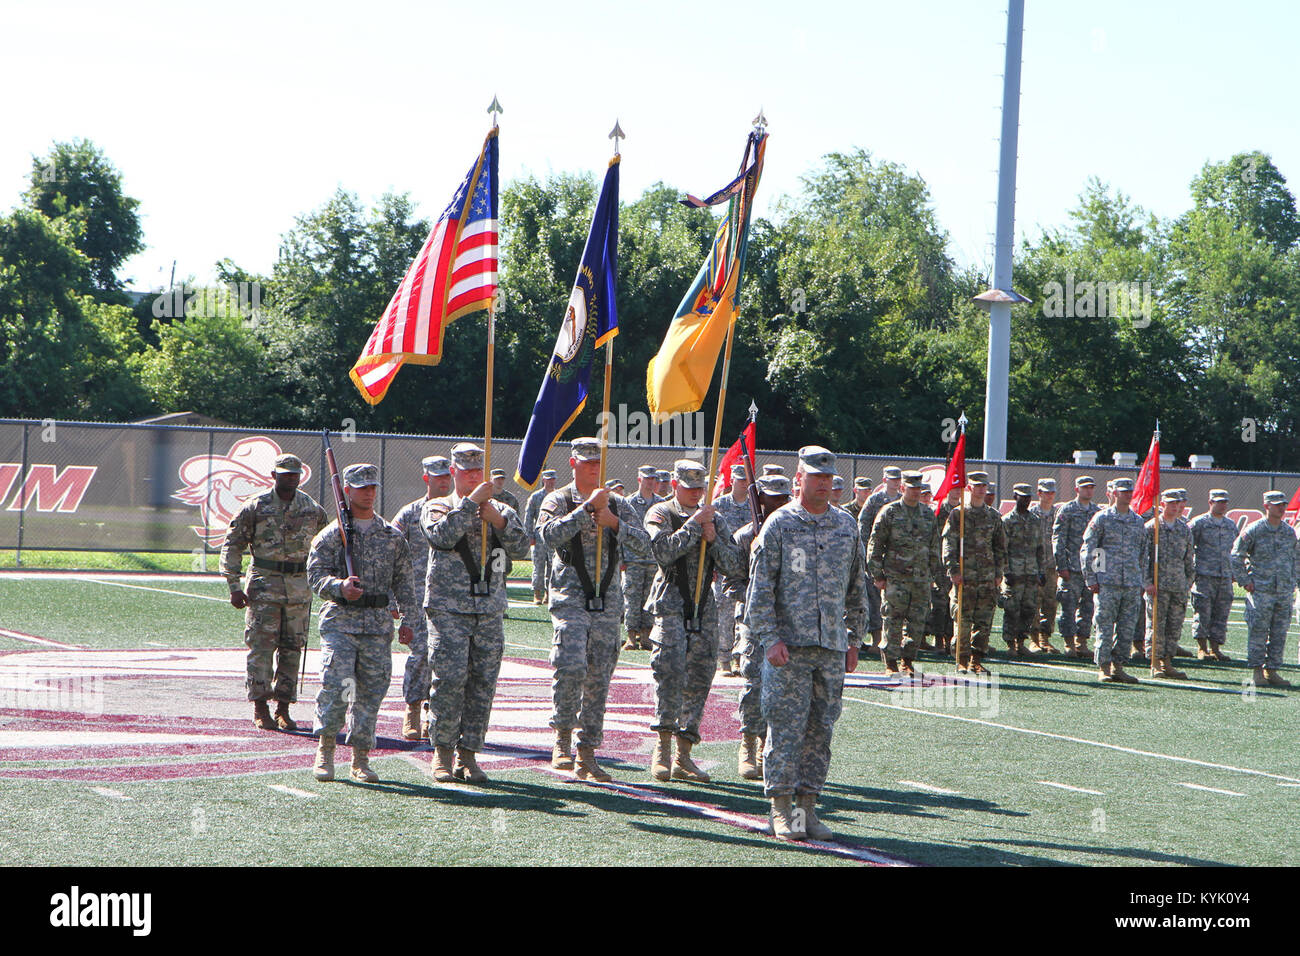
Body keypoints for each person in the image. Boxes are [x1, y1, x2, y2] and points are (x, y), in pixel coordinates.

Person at [746, 445, 864, 842]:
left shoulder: (846, 525)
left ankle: (808, 810)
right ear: (799, 479)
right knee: (786, 730)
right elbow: (759, 590)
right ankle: (782, 812)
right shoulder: (779, 525)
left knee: (820, 731)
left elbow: (856, 589)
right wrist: (769, 639)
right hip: (789, 649)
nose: (823, 484)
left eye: (828, 478)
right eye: (815, 477)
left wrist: (855, 640)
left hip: (831, 647)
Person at [535, 438, 650, 781]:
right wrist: (585, 511)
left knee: (599, 676)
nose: (592, 467)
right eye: (586, 462)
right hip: (570, 598)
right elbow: (547, 536)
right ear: (573, 464)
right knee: (570, 665)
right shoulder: (558, 499)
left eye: (597, 462)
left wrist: (614, 522)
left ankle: (587, 752)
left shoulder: (618, 503)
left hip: (607, 602)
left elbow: (646, 543)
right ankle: (562, 739)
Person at [421, 443, 531, 783]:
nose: (472, 476)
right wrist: (469, 506)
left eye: (476, 471)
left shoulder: (500, 509)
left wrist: (497, 520)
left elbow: (522, 547)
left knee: (482, 684)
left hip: (488, 609)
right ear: (453, 472)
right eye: (465, 471)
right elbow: (440, 537)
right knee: (449, 681)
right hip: (449, 609)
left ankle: (468, 755)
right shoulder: (438, 506)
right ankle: (441, 753)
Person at [306, 464, 417, 783]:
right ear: (347, 491)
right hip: (341, 622)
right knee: (336, 686)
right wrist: (339, 587)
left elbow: (404, 581)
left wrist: (408, 618)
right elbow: (314, 575)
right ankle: (326, 750)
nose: (369, 492)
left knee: (371, 692)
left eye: (372, 487)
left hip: (378, 625)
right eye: (362, 487)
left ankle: (361, 757)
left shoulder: (391, 535)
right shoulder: (332, 533)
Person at [644, 460, 743, 783]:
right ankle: (662, 748)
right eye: (689, 488)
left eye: (700, 488)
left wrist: (712, 538)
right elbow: (662, 552)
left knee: (699, 680)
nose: (695, 494)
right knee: (669, 676)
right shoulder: (661, 514)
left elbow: (733, 566)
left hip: (704, 610)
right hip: (671, 608)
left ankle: (684, 755)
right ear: (675, 485)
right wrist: (691, 527)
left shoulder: (715, 518)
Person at [220, 453, 327, 732]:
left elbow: (327, 546)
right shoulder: (255, 507)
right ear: (273, 475)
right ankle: (260, 706)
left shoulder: (312, 508)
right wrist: (233, 585)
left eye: (295, 473)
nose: (290, 478)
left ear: (300, 476)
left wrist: (327, 582)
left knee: (293, 649)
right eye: (284, 473)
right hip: (264, 585)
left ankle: (283, 707)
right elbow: (232, 544)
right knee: (262, 648)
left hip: (298, 588)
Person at [722, 474, 791, 780]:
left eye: (782, 498)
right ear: (758, 499)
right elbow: (730, 584)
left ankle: (770, 745)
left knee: (786, 688)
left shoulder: (794, 534)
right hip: (753, 622)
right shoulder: (743, 537)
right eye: (771, 498)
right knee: (754, 684)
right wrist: (759, 596)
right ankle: (749, 743)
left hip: (788, 623)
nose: (777, 503)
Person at [390, 455, 452, 740]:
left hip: (451, 598)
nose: (443, 480)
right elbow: (388, 552)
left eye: (446, 475)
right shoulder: (410, 513)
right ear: (426, 477)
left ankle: (434, 713)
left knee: (446, 659)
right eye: (437, 476)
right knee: (420, 655)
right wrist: (392, 598)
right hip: (416, 598)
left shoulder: (458, 510)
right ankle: (413, 708)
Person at [867, 470, 939, 676]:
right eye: (911, 488)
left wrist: (933, 573)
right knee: (893, 620)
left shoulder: (927, 514)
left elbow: (934, 546)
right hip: (895, 578)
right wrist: (877, 575)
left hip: (920, 579)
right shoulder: (890, 512)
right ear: (902, 488)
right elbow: (876, 544)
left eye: (918, 488)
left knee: (917, 621)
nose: (916, 492)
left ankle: (908, 661)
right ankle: (890, 662)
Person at [1081, 477, 1150, 684]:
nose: (1128, 494)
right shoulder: (1102, 518)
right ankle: (1104, 667)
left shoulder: (1137, 521)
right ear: (1114, 493)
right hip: (1107, 583)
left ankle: (1118, 666)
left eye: (1130, 491)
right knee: (1104, 626)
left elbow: (1143, 553)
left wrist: (1141, 580)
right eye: (1123, 491)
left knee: (1127, 627)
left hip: (1130, 583)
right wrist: (1093, 577)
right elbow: (1091, 549)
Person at [1230, 491, 1298, 688]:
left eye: (1283, 504)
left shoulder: (1288, 531)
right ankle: (1257, 671)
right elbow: (1236, 556)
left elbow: (1295, 558)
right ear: (1266, 506)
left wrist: (1294, 579)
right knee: (1259, 631)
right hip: (1261, 591)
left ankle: (1272, 670)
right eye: (1277, 505)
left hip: (1284, 591)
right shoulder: (1254, 530)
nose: (1281, 508)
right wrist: (1245, 581)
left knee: (1279, 632)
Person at [942, 472, 1005, 675]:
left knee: (984, 621)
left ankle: (976, 659)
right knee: (962, 619)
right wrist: (953, 569)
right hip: (965, 576)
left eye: (983, 486)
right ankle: (961, 659)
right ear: (969, 488)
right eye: (976, 486)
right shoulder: (958, 514)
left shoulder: (993, 516)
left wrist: (998, 572)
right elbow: (948, 543)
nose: (980, 490)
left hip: (986, 577)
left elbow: (1000, 546)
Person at [1144, 489, 1194, 679]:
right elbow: (1143, 559)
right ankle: (1155, 662)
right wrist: (1147, 582)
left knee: (1174, 626)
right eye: (1170, 503)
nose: (1174, 506)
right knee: (1156, 626)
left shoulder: (1184, 529)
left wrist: (1188, 581)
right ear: (1162, 504)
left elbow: (1189, 559)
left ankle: (1167, 661)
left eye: (1177, 503)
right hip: (1158, 587)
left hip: (1178, 586)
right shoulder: (1152, 528)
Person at [712, 463, 753, 676]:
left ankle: (739, 657)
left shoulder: (753, 507)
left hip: (746, 569)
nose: (744, 484)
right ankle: (724, 659)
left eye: (747, 480)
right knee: (725, 613)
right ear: (732, 481)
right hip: (725, 568)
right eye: (740, 480)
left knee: (743, 614)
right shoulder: (719, 505)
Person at [857, 466, 903, 654]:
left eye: (897, 479)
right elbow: (863, 525)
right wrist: (869, 551)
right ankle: (877, 640)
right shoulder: (875, 500)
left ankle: (895, 640)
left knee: (897, 600)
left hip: (898, 558)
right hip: (877, 557)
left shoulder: (902, 500)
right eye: (892, 479)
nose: (895, 482)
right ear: (884, 480)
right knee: (875, 599)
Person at [1054, 476, 1100, 658]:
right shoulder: (1068, 510)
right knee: (1068, 606)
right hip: (1071, 568)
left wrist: (1098, 568)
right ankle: (1069, 643)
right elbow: (1058, 540)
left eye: (1091, 487)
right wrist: (1061, 565)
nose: (1088, 490)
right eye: (1085, 488)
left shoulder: (1097, 512)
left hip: (1090, 569)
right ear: (1077, 490)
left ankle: (1082, 642)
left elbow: (1100, 544)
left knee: (1088, 608)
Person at [1189, 489, 1236, 661]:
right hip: (1204, 576)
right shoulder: (1199, 523)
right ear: (1210, 503)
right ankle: (1202, 648)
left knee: (1221, 614)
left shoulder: (1230, 525)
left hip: (1224, 577)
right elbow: (1187, 546)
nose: (1222, 505)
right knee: (1203, 612)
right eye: (1219, 502)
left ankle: (1215, 648)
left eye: (1224, 502)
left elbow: (1235, 550)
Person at [1001, 483, 1045, 658]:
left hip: (1031, 573)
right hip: (1014, 573)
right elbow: (1002, 548)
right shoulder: (1007, 520)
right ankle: (1010, 643)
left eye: (1028, 497)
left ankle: (1021, 642)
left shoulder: (1035, 520)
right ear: (1015, 497)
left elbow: (1040, 548)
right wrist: (1006, 571)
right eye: (1022, 496)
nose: (1025, 500)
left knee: (1029, 609)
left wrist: (1041, 571)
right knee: (1012, 609)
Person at [620, 465, 662, 651]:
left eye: (653, 479)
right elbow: (621, 531)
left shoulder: (661, 504)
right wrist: (621, 558)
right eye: (647, 478)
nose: (651, 482)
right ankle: (631, 636)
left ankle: (646, 636)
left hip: (654, 559)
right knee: (632, 597)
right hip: (633, 557)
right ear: (639, 480)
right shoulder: (628, 503)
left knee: (649, 597)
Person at [1028, 478, 1060, 653]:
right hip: (1034, 566)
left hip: (1052, 566)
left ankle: (1045, 638)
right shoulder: (1031, 514)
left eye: (1052, 492)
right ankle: (1033, 639)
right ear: (1039, 493)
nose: (1049, 495)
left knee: (1050, 603)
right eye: (1046, 492)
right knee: (1034, 602)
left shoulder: (1058, 514)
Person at [524, 470, 558, 605]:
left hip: (553, 537)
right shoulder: (536, 497)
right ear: (543, 480)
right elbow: (528, 518)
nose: (551, 482)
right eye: (548, 479)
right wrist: (529, 536)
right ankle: (537, 593)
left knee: (553, 566)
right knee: (538, 566)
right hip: (538, 538)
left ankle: (549, 594)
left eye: (553, 479)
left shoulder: (558, 496)